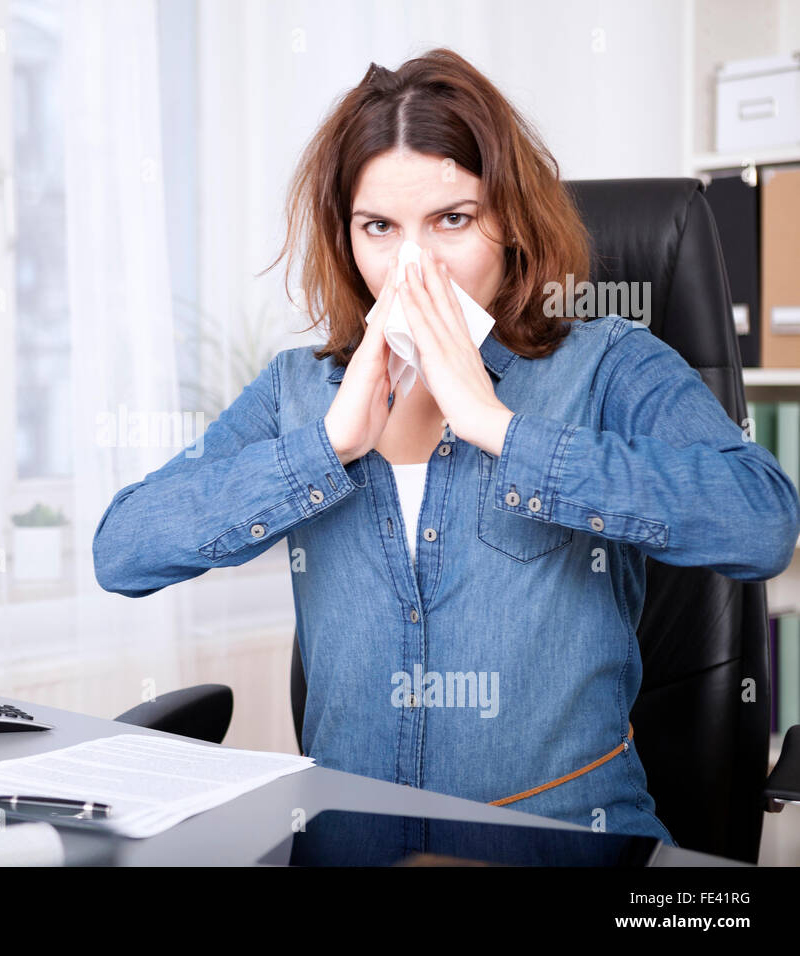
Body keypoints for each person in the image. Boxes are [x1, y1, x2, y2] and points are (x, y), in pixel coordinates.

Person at [91, 47, 800, 844]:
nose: (413, 265)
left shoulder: (607, 363)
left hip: (563, 841)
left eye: (452, 220)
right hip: (350, 844)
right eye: (379, 228)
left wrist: (498, 425)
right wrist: (327, 447)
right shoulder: (298, 391)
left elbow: (761, 522)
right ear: (346, 236)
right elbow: (123, 550)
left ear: (512, 224)